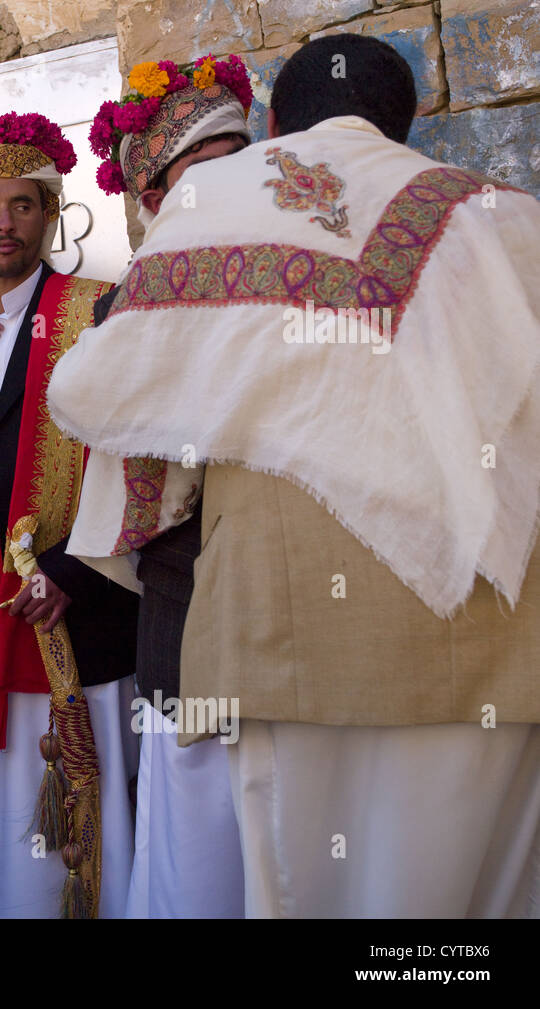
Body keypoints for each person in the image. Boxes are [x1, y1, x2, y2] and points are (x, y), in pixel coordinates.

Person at [47, 34, 540, 917]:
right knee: (480, 899)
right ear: (408, 124)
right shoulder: (509, 212)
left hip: (299, 631)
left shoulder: (215, 202)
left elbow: (98, 397)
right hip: (507, 635)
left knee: (313, 888)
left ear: (273, 123)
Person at [0, 112, 140, 918]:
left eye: (21, 205)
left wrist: (73, 574)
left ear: (50, 213)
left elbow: (133, 460)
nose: (3, 222)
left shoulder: (100, 309)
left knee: (86, 791)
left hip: (78, 603)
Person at [54, 54, 254, 919]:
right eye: (205, 171)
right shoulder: (126, 309)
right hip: (189, 612)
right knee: (201, 836)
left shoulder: (294, 282)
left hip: (292, 622)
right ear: (154, 196)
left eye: (244, 159)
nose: (235, 185)